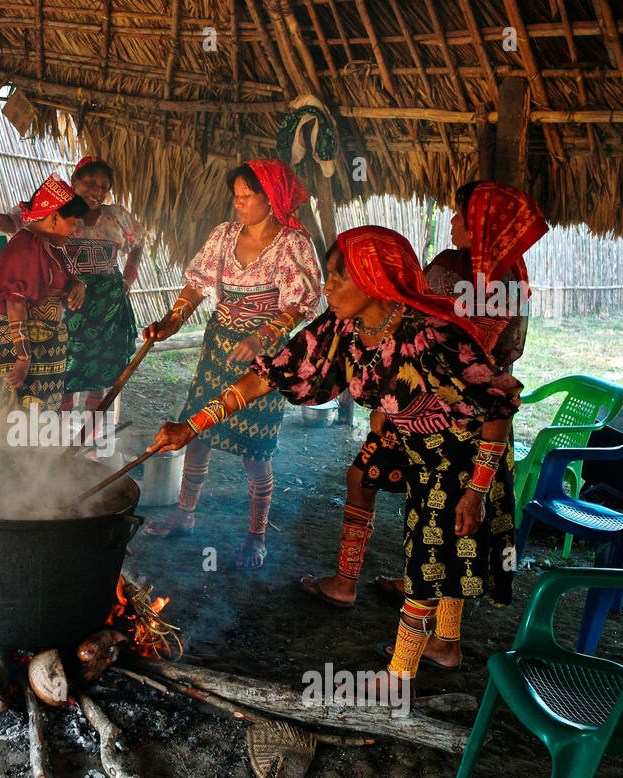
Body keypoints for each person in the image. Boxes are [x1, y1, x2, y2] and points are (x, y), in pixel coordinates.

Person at [148, 226, 522, 691]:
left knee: (431, 548)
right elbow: (269, 377)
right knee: (384, 496)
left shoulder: (433, 335)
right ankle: (438, 644)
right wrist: (192, 426)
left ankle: (400, 675)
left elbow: (498, 407)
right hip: (412, 443)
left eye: (337, 278)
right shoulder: (343, 328)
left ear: (373, 279)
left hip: (465, 455)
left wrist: (477, 492)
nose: (325, 287)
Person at [299, 182, 545, 669]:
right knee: (451, 521)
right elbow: (507, 358)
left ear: (483, 224)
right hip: (481, 422)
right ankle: (444, 639)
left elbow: (403, 326)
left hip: (419, 410)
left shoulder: (450, 271)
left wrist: (383, 404)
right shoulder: (512, 278)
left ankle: (354, 590)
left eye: (460, 215)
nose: (453, 224)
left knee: (378, 487)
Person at [141, 160, 322, 569]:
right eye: (236, 195)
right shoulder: (224, 235)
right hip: (218, 347)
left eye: (247, 196)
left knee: (255, 450)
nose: (238, 203)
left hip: (264, 358)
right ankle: (185, 515)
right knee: (197, 432)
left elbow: (299, 306)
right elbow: (199, 282)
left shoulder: (292, 243)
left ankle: (256, 536)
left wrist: (262, 338)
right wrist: (172, 321)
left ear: (271, 198)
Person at [0, 157, 144, 438]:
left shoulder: (105, 222)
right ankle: (55, 446)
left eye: (103, 187)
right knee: (49, 390)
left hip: (97, 314)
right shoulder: (33, 240)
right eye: (89, 183)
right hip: (48, 323)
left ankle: (86, 443)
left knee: (91, 378)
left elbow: (137, 243)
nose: (96, 191)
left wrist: (122, 278)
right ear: (73, 182)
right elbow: (12, 225)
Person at [0, 173, 89, 416]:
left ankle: (39, 456)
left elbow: (63, 281)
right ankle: (12, 456)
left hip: (46, 348)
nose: (74, 230)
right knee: (17, 418)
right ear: (53, 217)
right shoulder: (24, 246)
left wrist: (77, 285)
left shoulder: (50, 247)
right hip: (23, 349)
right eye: (73, 223)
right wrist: (22, 358)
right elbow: (15, 304)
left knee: (40, 419)